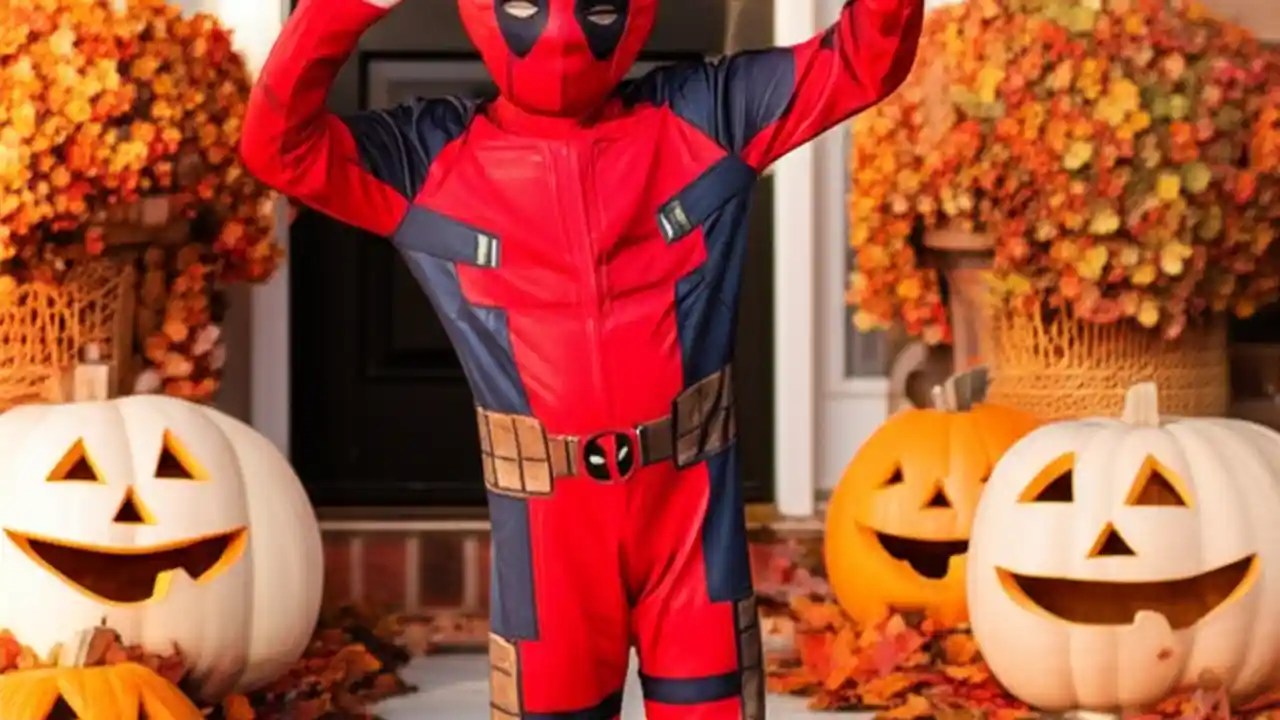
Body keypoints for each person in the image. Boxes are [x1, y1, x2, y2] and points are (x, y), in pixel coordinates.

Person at [240, 0, 922, 717]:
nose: (561, 36)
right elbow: (279, 147)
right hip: (550, 541)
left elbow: (864, 57)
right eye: (526, 6)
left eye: (595, 6)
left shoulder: (709, 114)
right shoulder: (432, 155)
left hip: (688, 523)